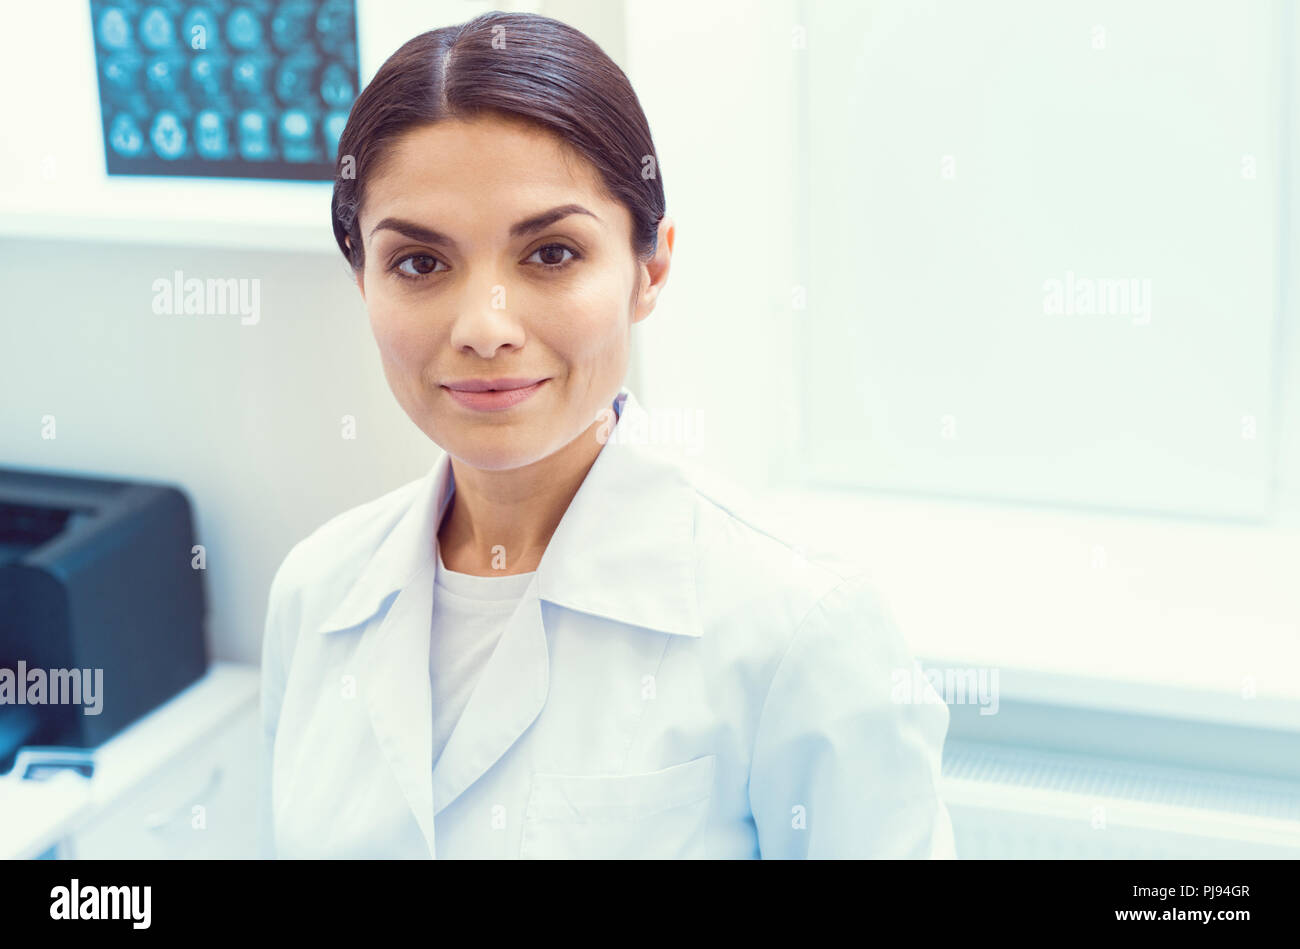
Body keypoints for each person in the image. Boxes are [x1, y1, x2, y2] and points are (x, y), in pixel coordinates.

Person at [260, 10, 955, 859]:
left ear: (649, 268)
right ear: (361, 277)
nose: (486, 326)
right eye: (419, 263)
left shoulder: (799, 625)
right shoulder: (313, 593)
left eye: (550, 254)